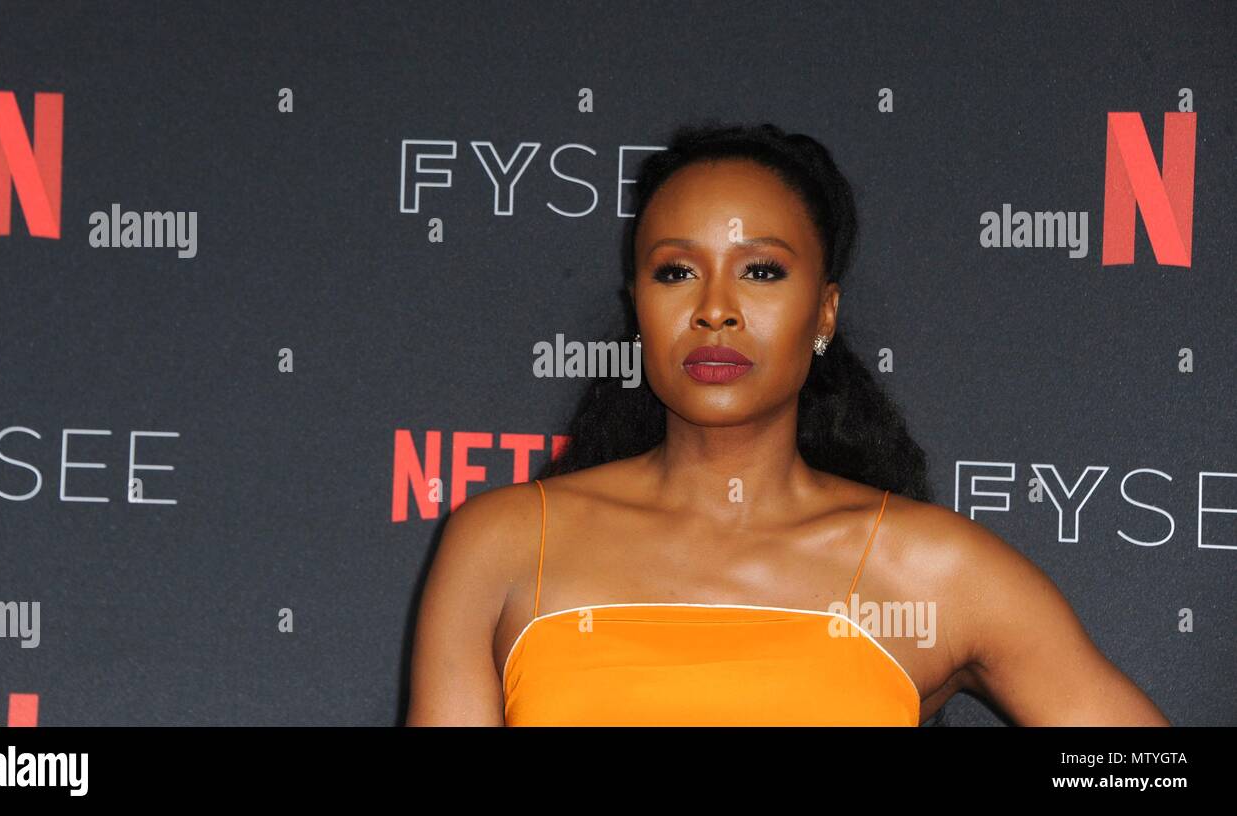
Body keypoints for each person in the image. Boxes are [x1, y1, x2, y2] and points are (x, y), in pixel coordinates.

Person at [406, 122, 1169, 726]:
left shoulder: (931, 571)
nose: (714, 308)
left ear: (824, 312)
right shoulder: (506, 544)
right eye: (676, 272)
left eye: (761, 271)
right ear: (637, 307)